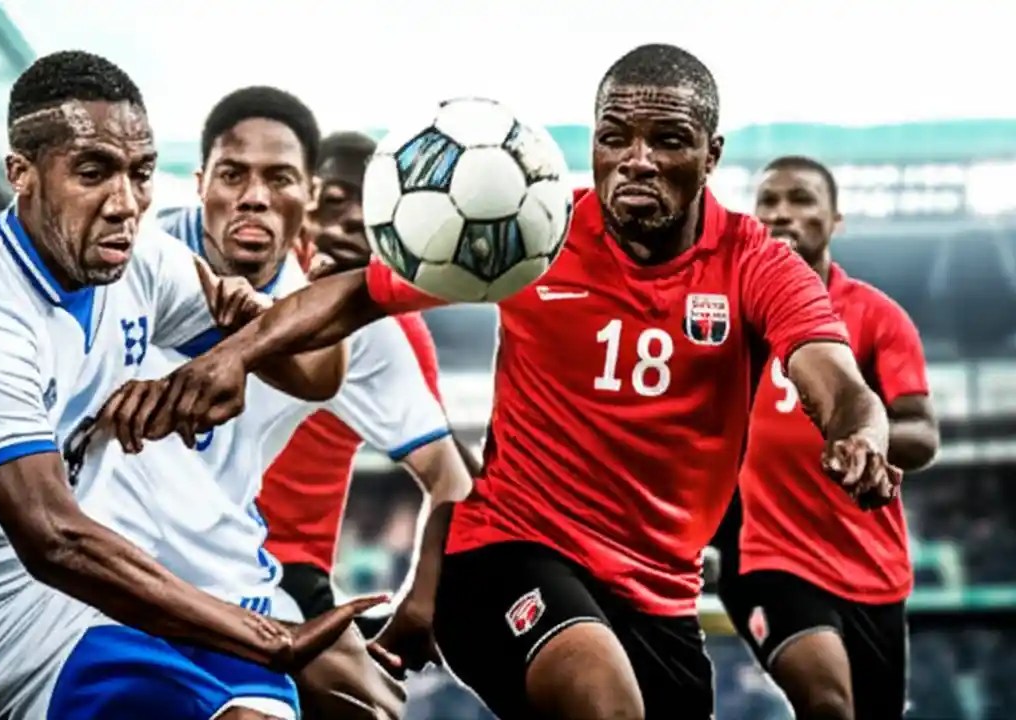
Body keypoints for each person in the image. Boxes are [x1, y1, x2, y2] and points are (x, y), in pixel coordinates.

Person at [101, 43, 904, 720]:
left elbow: (834, 377)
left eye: (667, 141)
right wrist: (231, 357)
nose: (636, 161)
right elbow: (354, 296)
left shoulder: (754, 264)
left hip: (660, 595)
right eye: (615, 137)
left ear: (711, 155)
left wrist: (859, 433)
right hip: (510, 555)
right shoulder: (535, 229)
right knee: (603, 703)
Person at [0, 51, 372, 720]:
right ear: (22, 174)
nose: (125, 204)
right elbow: (55, 540)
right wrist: (272, 639)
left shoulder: (140, 262)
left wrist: (243, 349)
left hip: (38, 615)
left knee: (249, 713)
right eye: (93, 173)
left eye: (140, 174)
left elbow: (312, 371)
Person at [146, 90, 473, 719]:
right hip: (112, 545)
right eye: (336, 200)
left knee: (366, 705)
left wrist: (423, 599)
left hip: (269, 563)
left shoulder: (381, 335)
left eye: (369, 211)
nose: (349, 222)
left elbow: (452, 475)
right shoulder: (148, 257)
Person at [712, 156, 938, 720]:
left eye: (801, 199)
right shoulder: (729, 315)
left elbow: (922, 432)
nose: (781, 213)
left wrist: (866, 440)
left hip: (870, 564)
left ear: (835, 219)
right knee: (828, 703)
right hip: (764, 554)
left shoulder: (877, 317)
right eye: (768, 201)